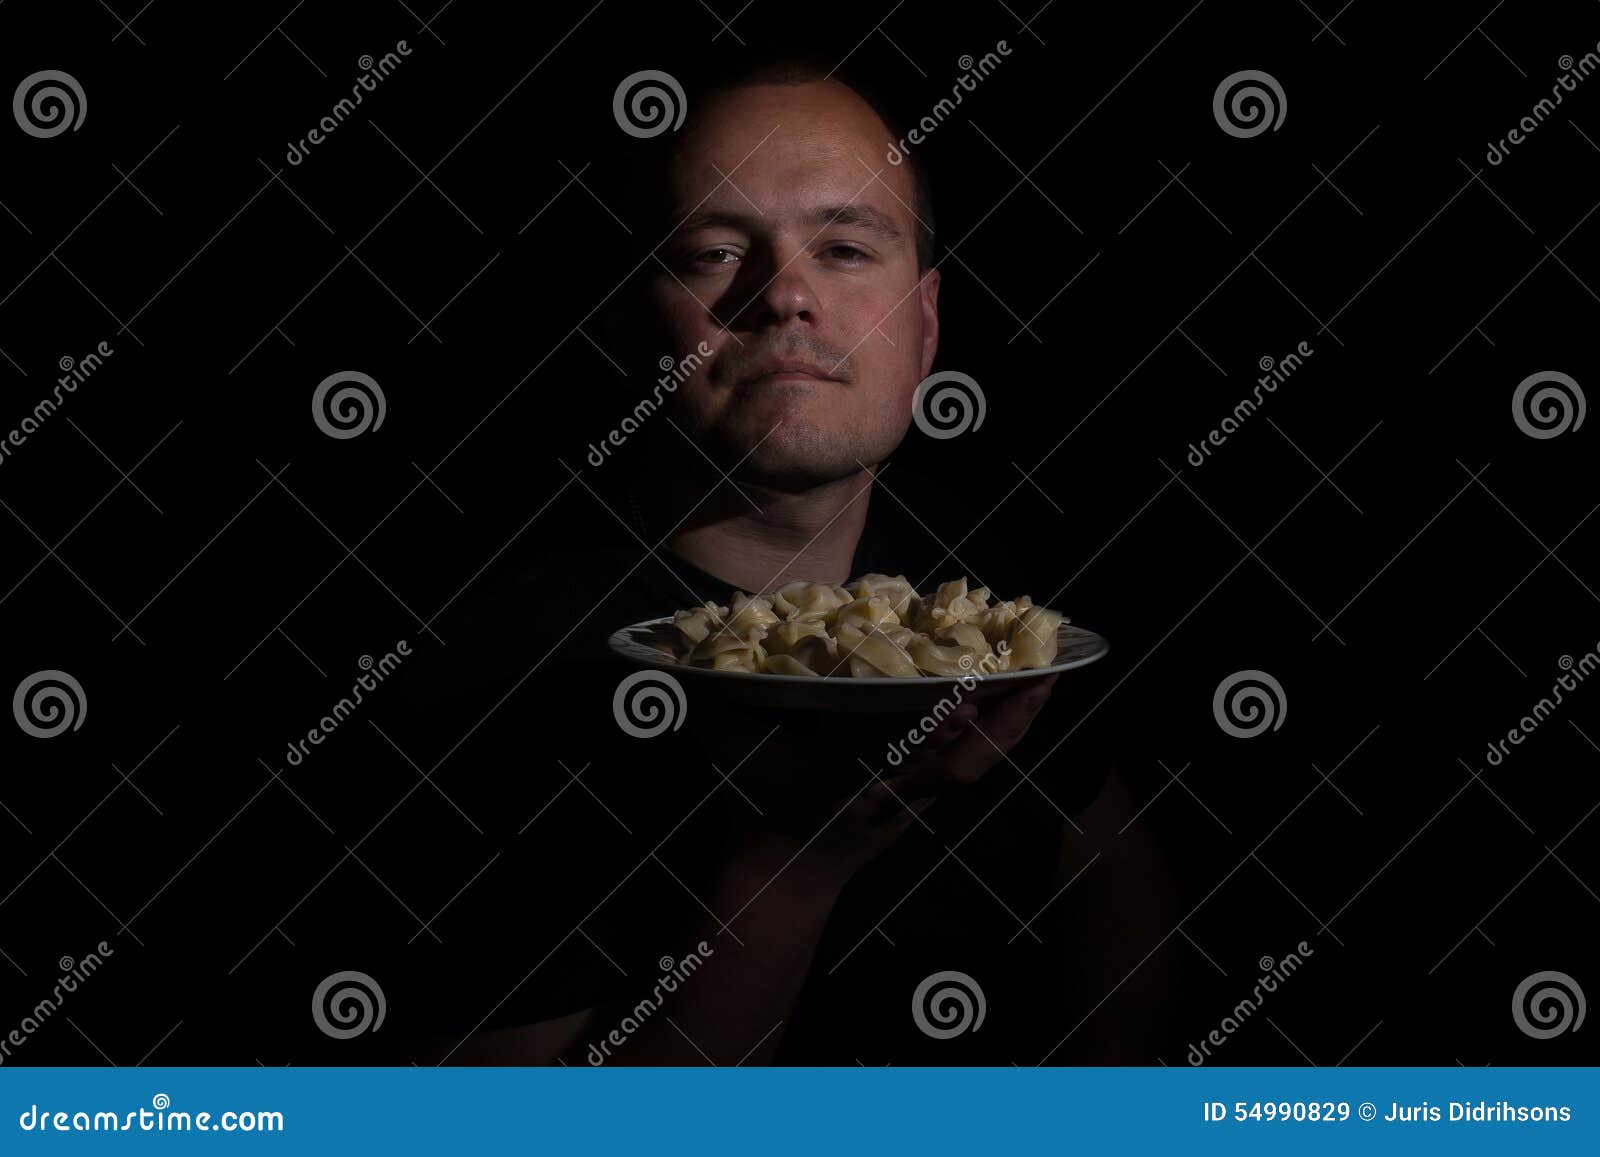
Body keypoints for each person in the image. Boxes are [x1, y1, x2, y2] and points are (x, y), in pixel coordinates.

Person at [378, 52, 1177, 1066]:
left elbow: (1108, 856)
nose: (784, 295)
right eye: (712, 252)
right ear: (628, 325)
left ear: (923, 326)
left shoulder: (964, 575)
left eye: (844, 248)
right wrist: (793, 865)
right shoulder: (490, 677)